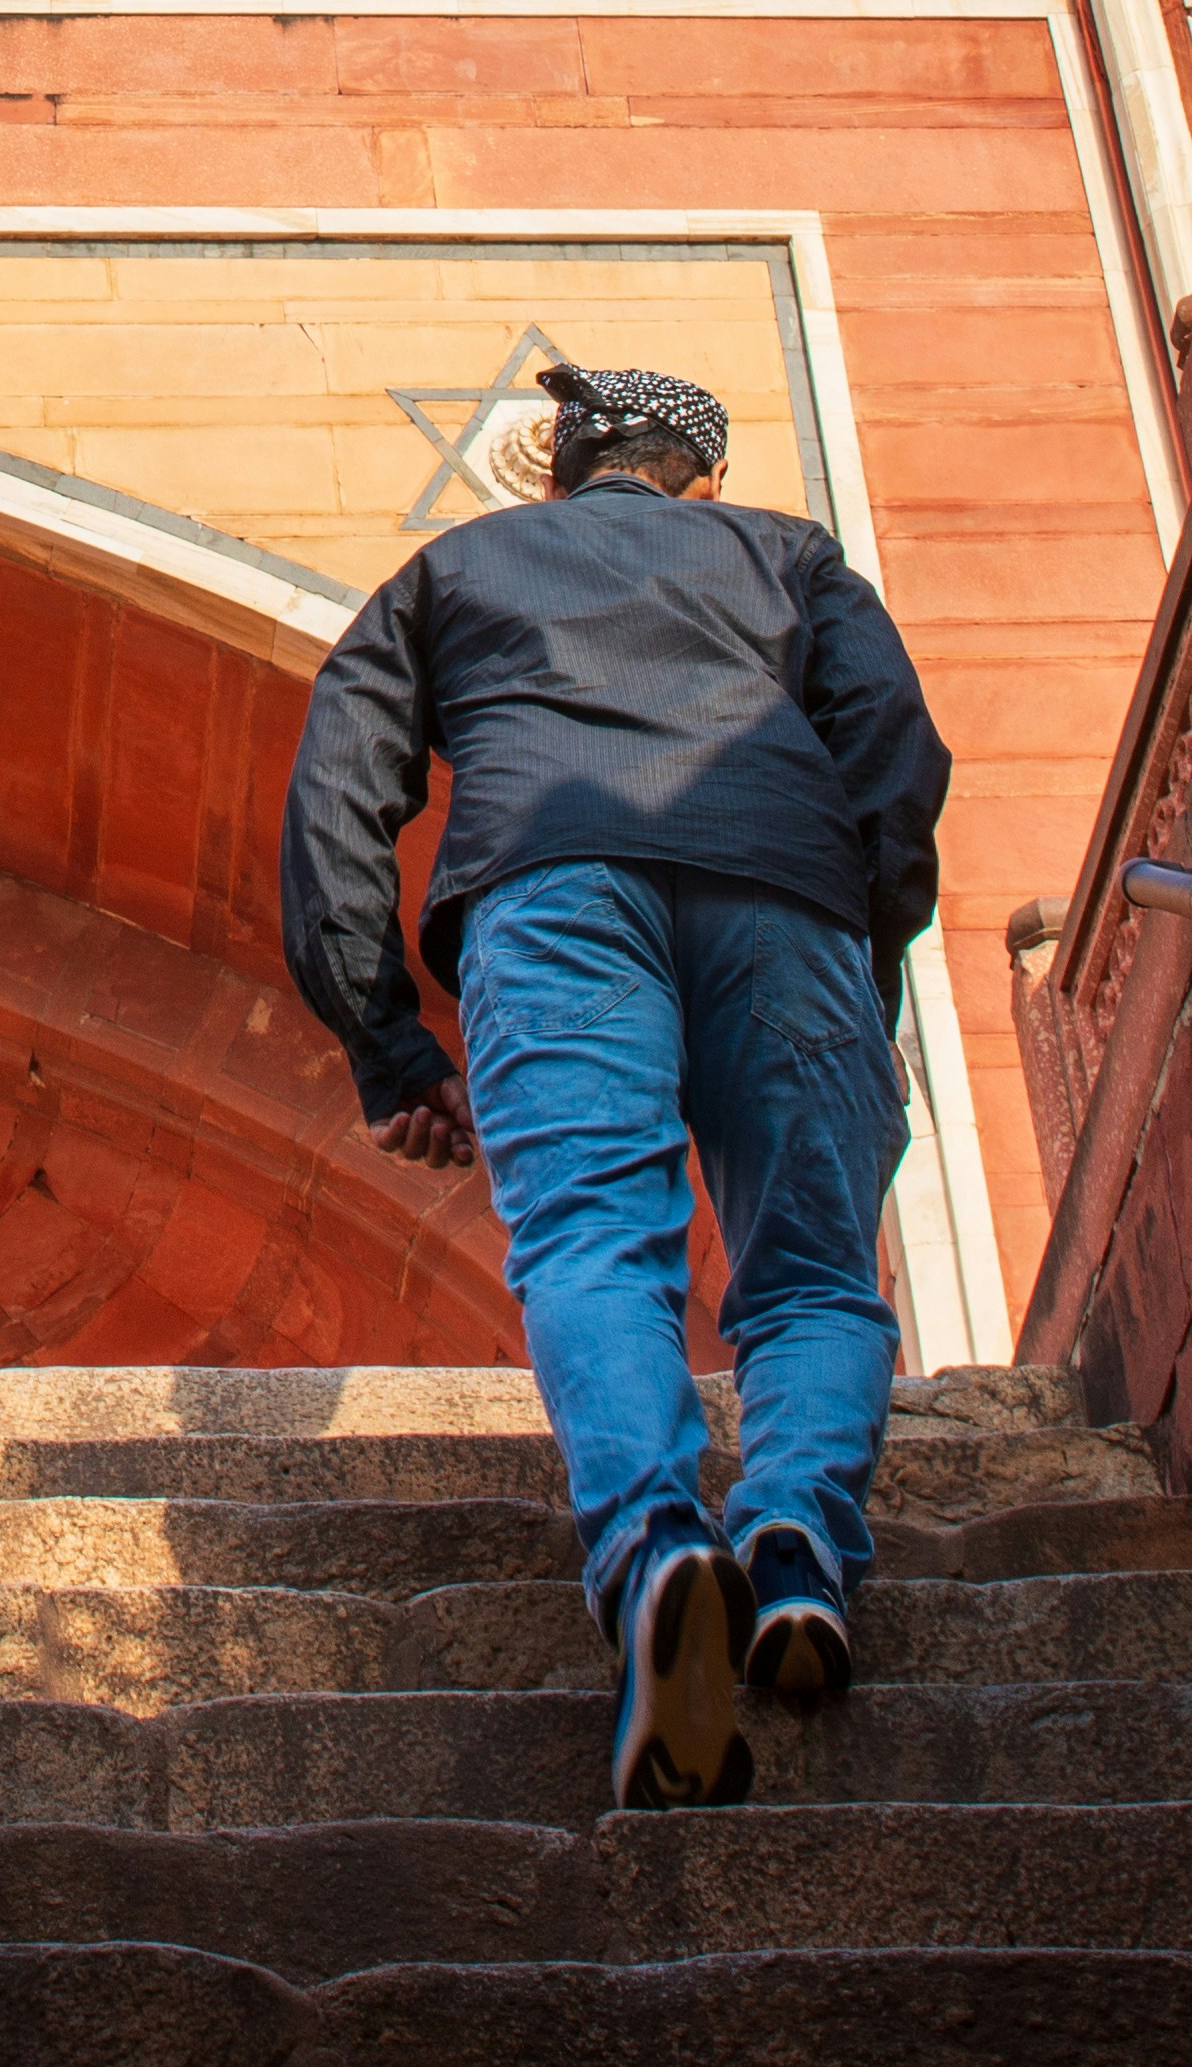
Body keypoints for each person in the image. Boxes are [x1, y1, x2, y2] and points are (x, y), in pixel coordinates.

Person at [274, 360, 948, 1811]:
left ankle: (657, 1554)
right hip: (783, 892)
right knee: (815, 1275)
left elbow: (339, 794)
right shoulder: (787, 556)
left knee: (591, 1244)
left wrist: (389, 1044)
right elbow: (894, 752)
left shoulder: (452, 567)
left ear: (557, 466)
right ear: (698, 476)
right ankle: (793, 1547)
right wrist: (864, 951)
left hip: (548, 894)